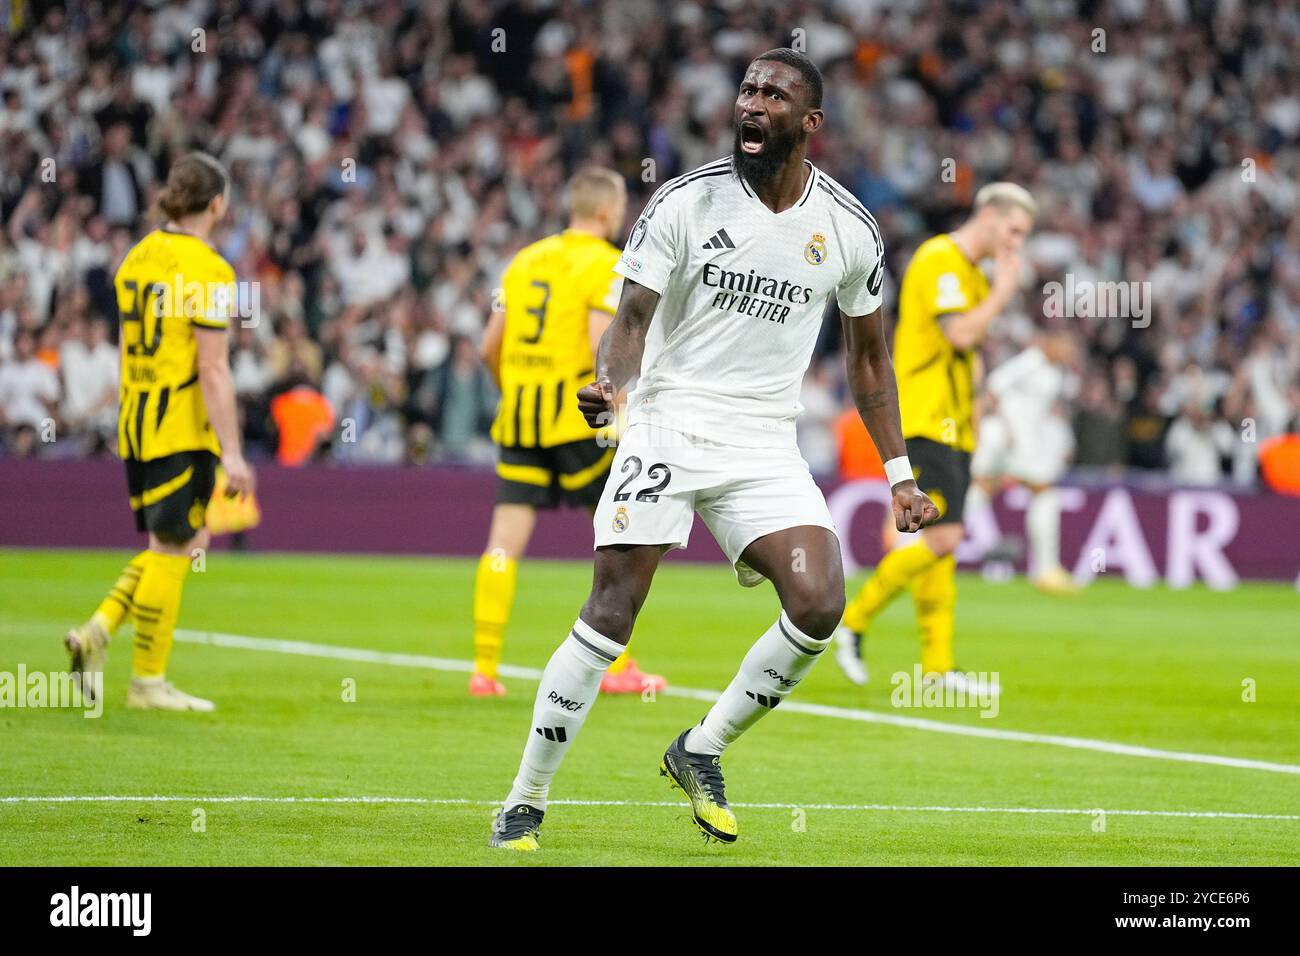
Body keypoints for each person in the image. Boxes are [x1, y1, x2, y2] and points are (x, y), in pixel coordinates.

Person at [488, 49, 937, 851]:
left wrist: (900, 474)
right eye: (747, 90)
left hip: (764, 440)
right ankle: (525, 799)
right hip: (667, 417)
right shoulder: (685, 203)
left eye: (774, 95)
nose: (752, 105)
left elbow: (871, 361)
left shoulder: (849, 229)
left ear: (811, 122)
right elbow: (628, 322)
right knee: (611, 614)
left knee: (820, 601)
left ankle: (700, 746)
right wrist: (612, 387)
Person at [63, 152, 255, 711]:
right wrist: (235, 453)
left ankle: (97, 633)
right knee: (175, 547)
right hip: (179, 424)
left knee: (180, 541)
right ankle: (147, 681)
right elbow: (213, 368)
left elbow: (128, 347)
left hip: (137, 418)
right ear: (216, 203)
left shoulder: (136, 257)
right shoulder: (210, 269)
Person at [471, 167, 666, 698]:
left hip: (521, 419)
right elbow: (603, 344)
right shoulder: (606, 264)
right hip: (581, 421)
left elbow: (490, 345)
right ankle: (619, 666)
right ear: (607, 212)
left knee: (502, 547)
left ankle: (484, 670)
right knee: (615, 538)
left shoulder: (524, 260)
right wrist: (620, 417)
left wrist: (511, 387)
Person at [835, 182, 1036, 692]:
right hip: (925, 421)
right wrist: (1005, 288)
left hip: (956, 425)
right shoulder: (941, 258)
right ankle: (852, 621)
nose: (1016, 245)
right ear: (988, 216)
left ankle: (938, 665)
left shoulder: (968, 272)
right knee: (946, 536)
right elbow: (960, 334)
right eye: (1014, 231)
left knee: (938, 543)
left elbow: (964, 351)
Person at [967, 330, 1081, 594]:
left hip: (1026, 442)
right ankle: (1046, 569)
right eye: (1064, 346)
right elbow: (994, 385)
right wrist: (1004, 426)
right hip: (1006, 437)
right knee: (1038, 491)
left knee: (984, 490)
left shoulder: (1056, 372)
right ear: (1051, 343)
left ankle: (921, 538)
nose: (1068, 352)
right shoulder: (1031, 361)